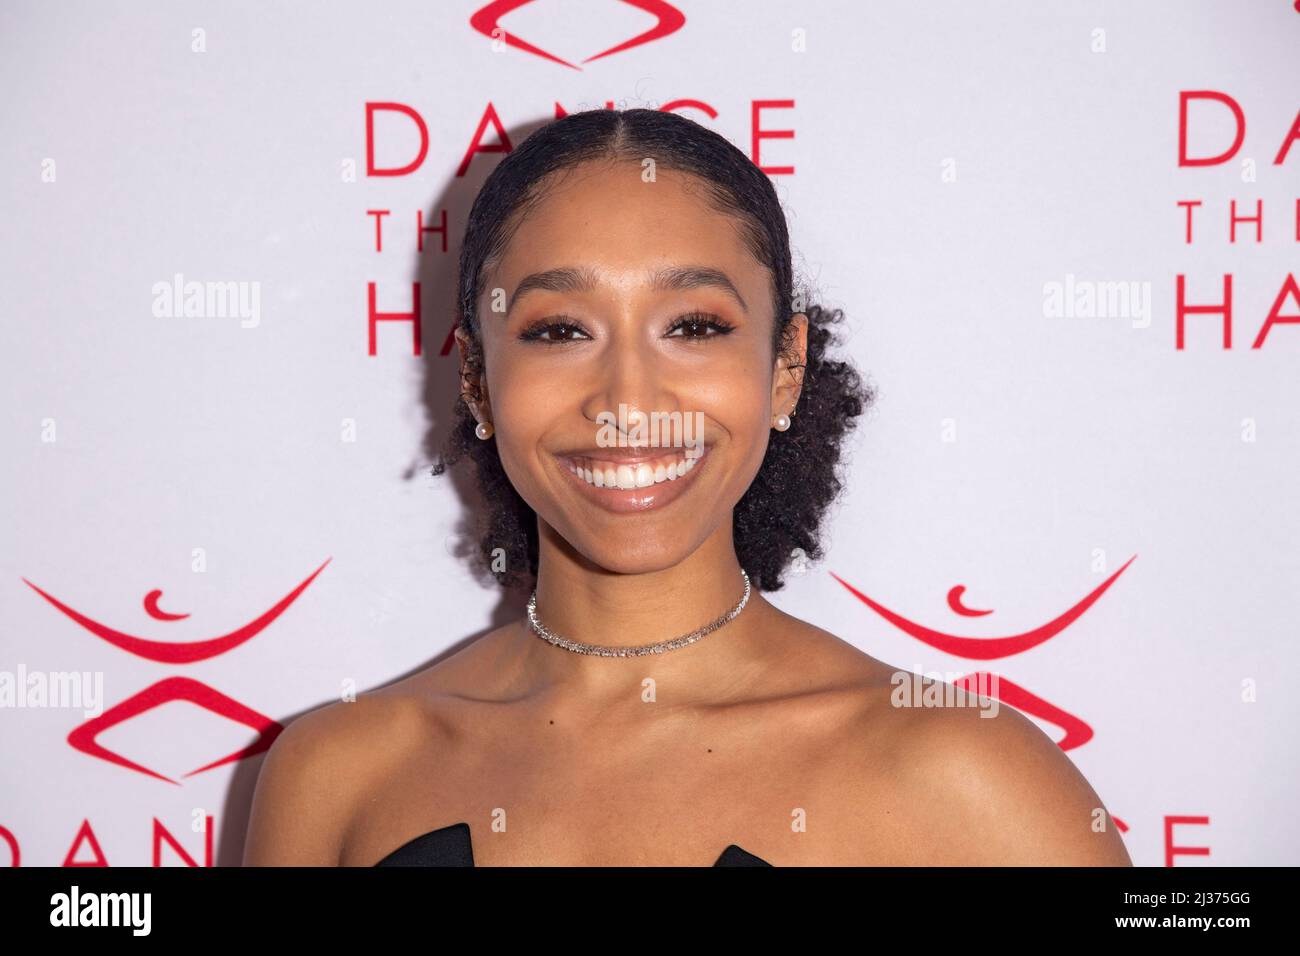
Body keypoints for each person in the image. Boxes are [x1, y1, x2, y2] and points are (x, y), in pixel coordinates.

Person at [242, 108, 1132, 867]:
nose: (629, 402)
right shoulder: (336, 773)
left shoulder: (964, 778)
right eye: (559, 330)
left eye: (694, 325)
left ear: (785, 366)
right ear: (476, 379)